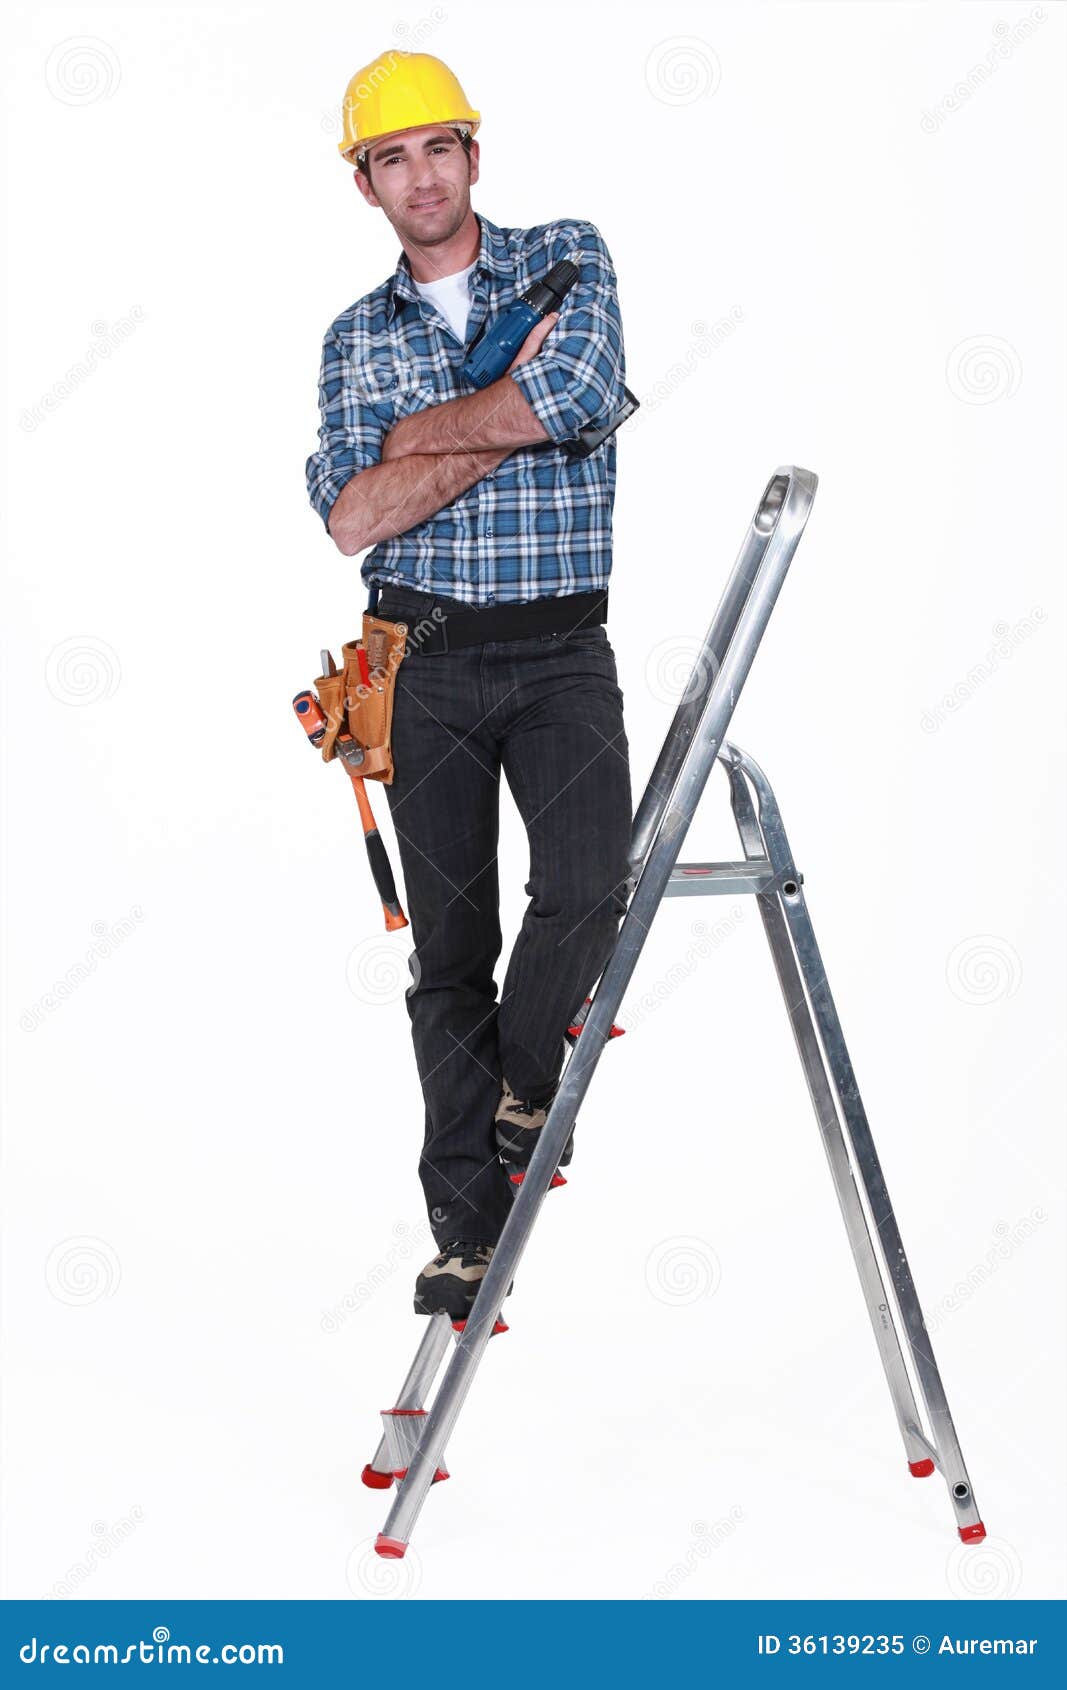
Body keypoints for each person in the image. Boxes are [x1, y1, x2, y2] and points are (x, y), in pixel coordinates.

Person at [306, 49, 633, 1320]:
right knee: (446, 954)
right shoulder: (353, 336)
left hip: (560, 652)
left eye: (438, 147)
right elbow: (347, 516)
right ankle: (462, 1226)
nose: (421, 174)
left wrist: (414, 437)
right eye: (392, 157)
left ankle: (521, 1083)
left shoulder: (567, 256)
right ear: (366, 186)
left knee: (588, 881)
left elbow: (578, 391)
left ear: (473, 156)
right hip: (416, 664)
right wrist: (509, 409)